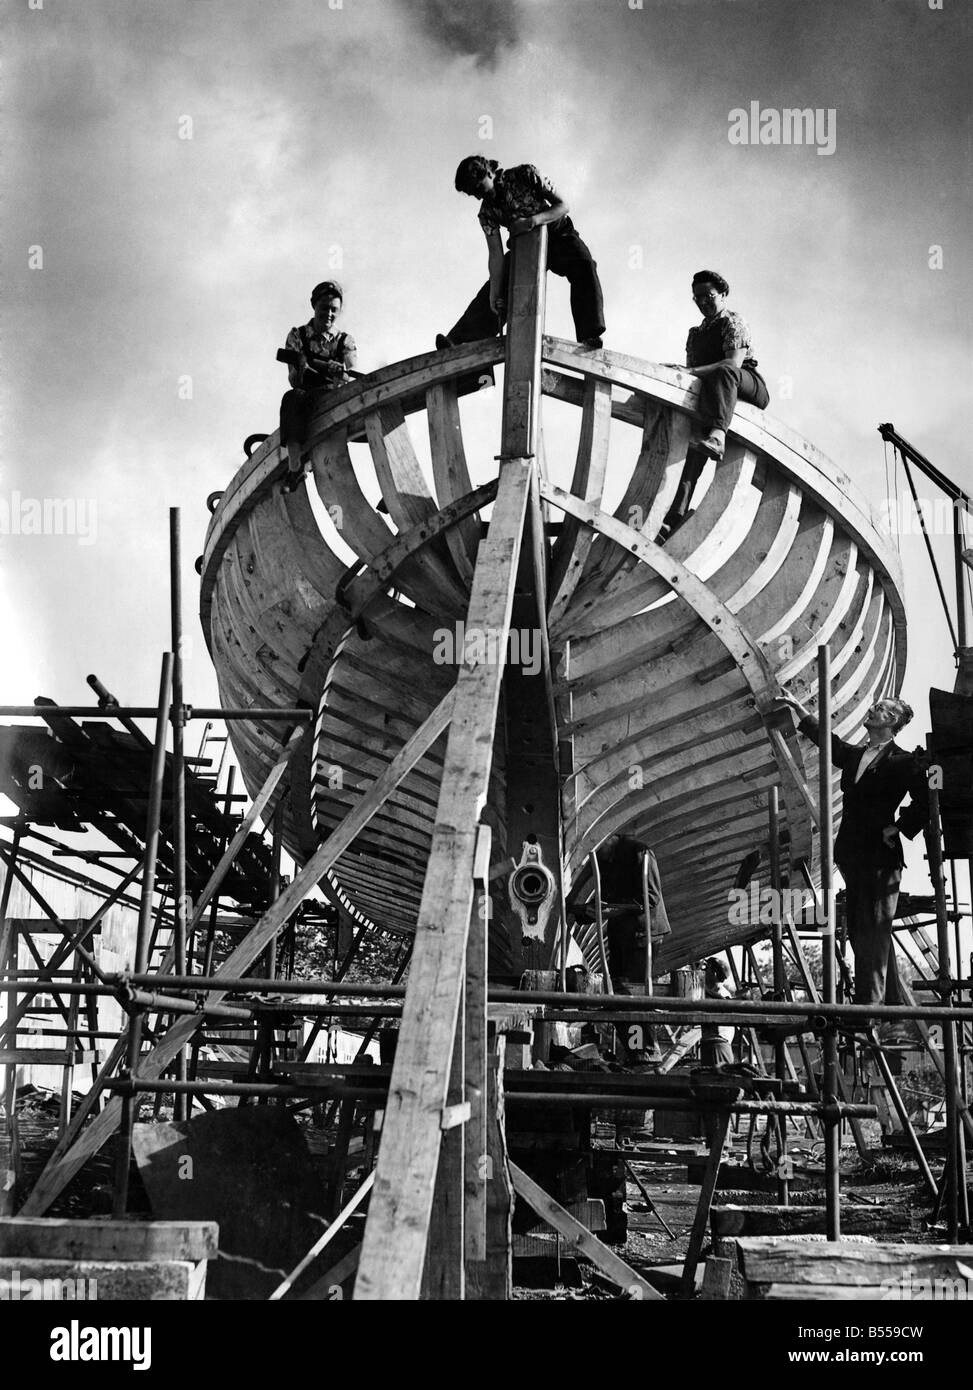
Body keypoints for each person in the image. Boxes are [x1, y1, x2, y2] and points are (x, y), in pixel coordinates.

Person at [776, 692, 929, 1008]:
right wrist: (799, 709)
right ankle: (888, 1004)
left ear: (892, 722)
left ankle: (867, 1009)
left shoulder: (904, 761)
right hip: (850, 851)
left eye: (882, 709)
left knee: (874, 928)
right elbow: (827, 742)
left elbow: (927, 802)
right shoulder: (857, 755)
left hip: (880, 856)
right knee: (861, 930)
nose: (873, 708)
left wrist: (898, 827)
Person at [437, 155, 605, 351]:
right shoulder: (486, 214)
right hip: (523, 248)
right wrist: (494, 293)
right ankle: (459, 341)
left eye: (479, 188)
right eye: (473, 193)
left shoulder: (527, 174)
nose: (479, 196)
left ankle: (589, 336)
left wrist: (532, 221)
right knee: (493, 292)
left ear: (489, 172)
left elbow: (563, 206)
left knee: (585, 265)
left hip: (558, 235)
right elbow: (496, 256)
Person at [658, 271, 769, 540]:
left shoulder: (733, 321)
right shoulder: (695, 334)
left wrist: (691, 370)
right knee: (692, 455)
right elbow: (693, 373)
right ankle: (671, 521)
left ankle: (718, 436)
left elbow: (732, 363)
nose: (703, 302)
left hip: (746, 382)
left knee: (724, 372)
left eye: (708, 296)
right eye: (697, 298)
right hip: (713, 390)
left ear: (722, 295)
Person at [279, 280, 357, 476]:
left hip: (333, 394)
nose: (329, 314)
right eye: (324, 308)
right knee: (291, 397)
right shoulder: (298, 335)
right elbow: (294, 381)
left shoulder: (345, 340)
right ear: (314, 306)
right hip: (305, 393)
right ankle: (295, 464)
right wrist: (301, 366)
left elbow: (353, 374)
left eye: (334, 310)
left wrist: (341, 372)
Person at [700, 957, 736, 1066]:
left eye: (707, 969)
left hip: (719, 1045)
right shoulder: (706, 992)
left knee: (721, 1080)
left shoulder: (723, 995)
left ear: (715, 973)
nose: (704, 971)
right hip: (710, 1042)